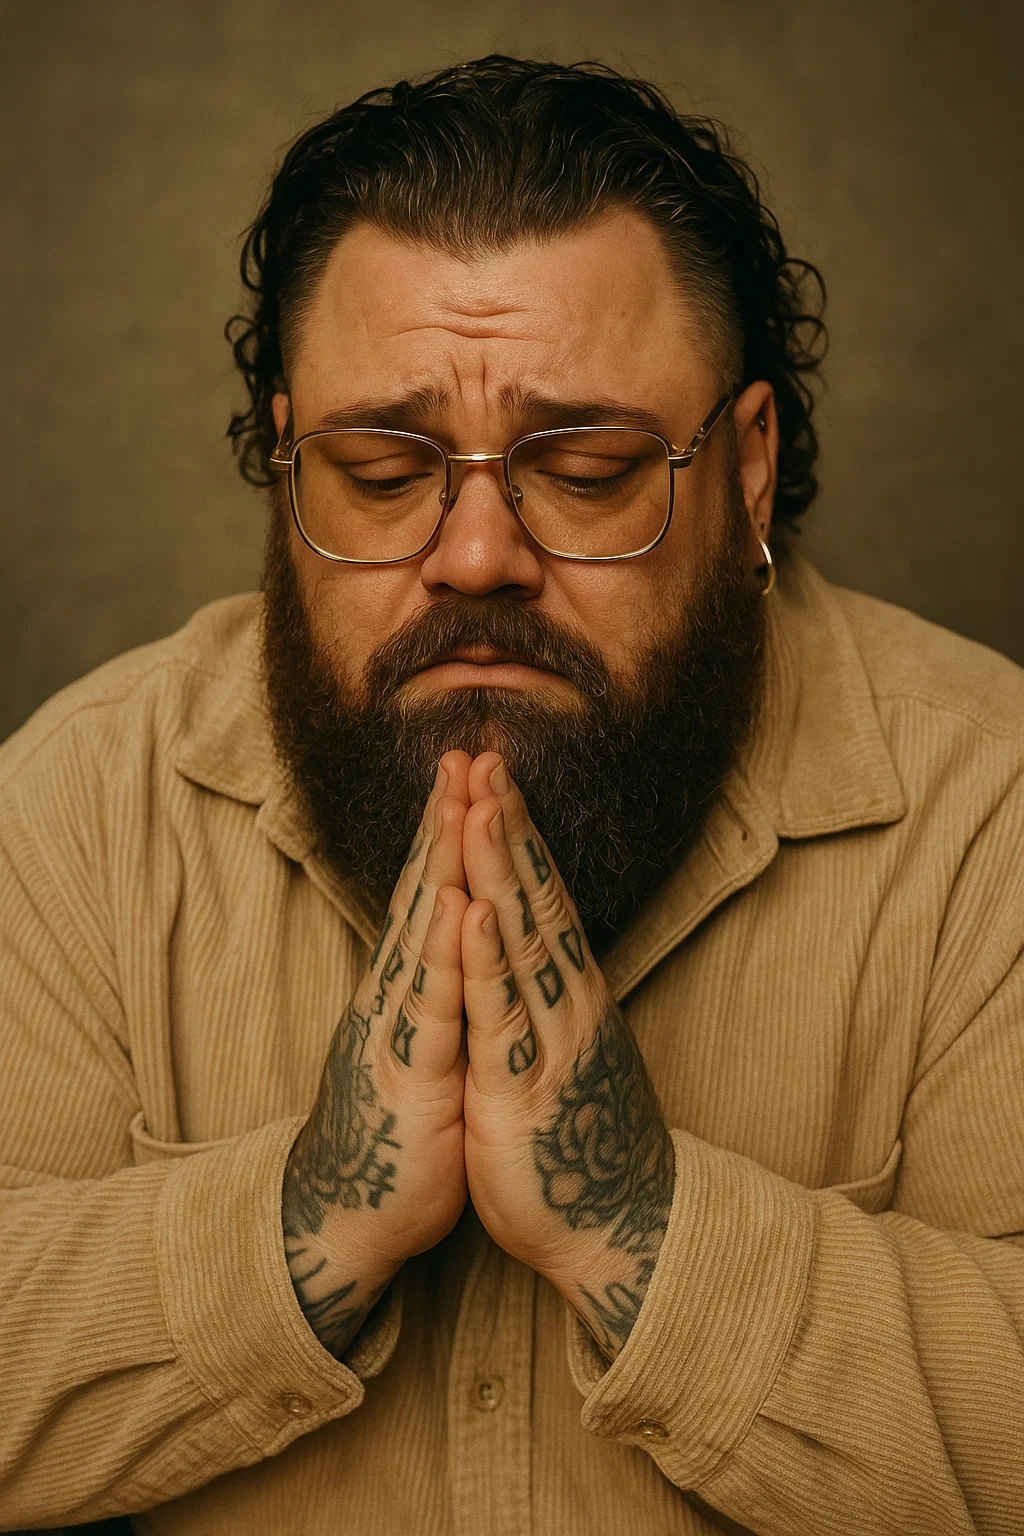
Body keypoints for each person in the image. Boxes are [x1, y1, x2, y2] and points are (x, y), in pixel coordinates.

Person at [1, 54, 1021, 1536]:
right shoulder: (79, 809)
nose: (476, 556)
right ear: (285, 467)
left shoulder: (992, 811)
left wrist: (644, 1231)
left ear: (747, 472)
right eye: (380, 468)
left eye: (589, 467)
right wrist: (306, 1223)